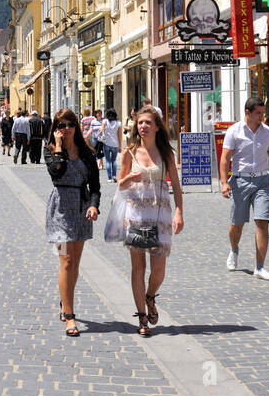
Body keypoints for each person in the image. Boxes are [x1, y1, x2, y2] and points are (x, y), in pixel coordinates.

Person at [116, 106, 184, 336]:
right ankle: (142, 317)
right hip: (135, 214)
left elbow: (175, 184)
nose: (143, 126)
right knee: (138, 268)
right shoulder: (130, 153)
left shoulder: (166, 154)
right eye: (140, 122)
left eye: (147, 122)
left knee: (158, 270)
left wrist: (179, 212)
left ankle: (150, 295)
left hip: (161, 214)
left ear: (157, 127)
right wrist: (130, 177)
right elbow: (120, 184)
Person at [44, 108, 101, 337]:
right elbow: (56, 172)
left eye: (69, 124)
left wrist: (94, 205)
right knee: (66, 260)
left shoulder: (87, 152)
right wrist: (58, 148)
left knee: (75, 262)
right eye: (60, 125)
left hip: (81, 207)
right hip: (61, 210)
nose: (65, 128)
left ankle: (64, 300)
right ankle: (69, 315)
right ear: (55, 129)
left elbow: (95, 186)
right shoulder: (49, 151)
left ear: (75, 126)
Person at [219, 97, 269, 280]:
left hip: (263, 180)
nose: (262, 117)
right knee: (237, 224)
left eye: (263, 113)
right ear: (247, 113)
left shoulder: (268, 133)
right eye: (258, 113)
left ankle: (260, 267)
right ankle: (234, 250)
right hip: (240, 181)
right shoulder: (234, 132)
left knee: (262, 222)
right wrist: (224, 183)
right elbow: (225, 159)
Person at [100, 108, 122, 181]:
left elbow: (101, 130)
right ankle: (114, 176)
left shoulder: (105, 121)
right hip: (115, 144)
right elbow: (119, 135)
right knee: (114, 161)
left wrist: (103, 132)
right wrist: (120, 146)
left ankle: (109, 178)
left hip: (106, 143)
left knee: (108, 161)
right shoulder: (118, 123)